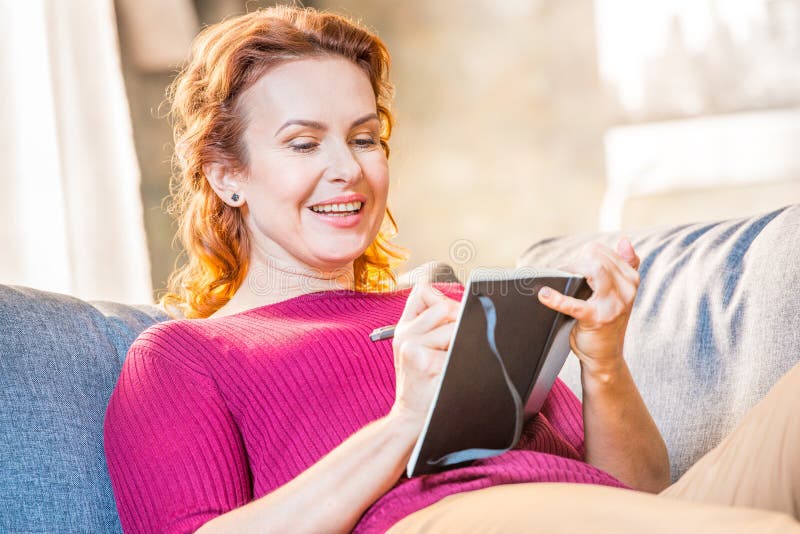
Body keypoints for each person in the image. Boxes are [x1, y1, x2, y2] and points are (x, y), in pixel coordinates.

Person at [102, 6, 800, 533]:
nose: (346, 169)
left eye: (364, 137)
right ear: (228, 175)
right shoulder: (181, 357)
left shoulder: (449, 309)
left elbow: (639, 494)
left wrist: (605, 362)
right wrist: (407, 422)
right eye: (304, 143)